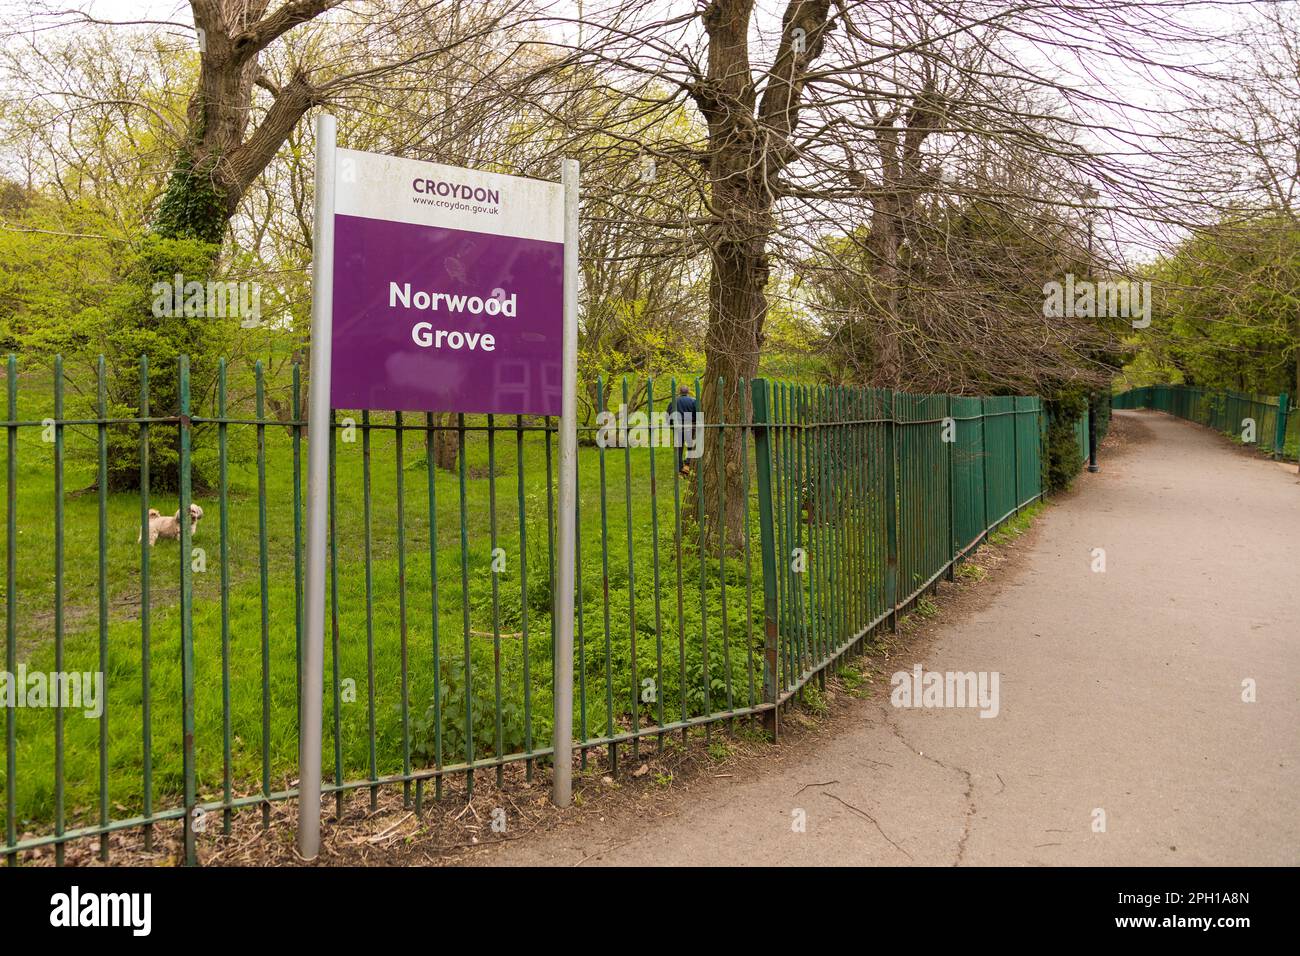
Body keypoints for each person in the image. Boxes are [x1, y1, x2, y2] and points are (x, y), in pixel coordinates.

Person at [666, 383, 699, 476]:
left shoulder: (673, 401)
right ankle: (688, 465)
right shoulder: (693, 401)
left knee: (679, 447)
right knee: (690, 445)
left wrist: (670, 424)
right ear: (688, 392)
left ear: (679, 392)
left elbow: (668, 415)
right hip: (690, 425)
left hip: (678, 426)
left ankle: (679, 467)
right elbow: (697, 413)